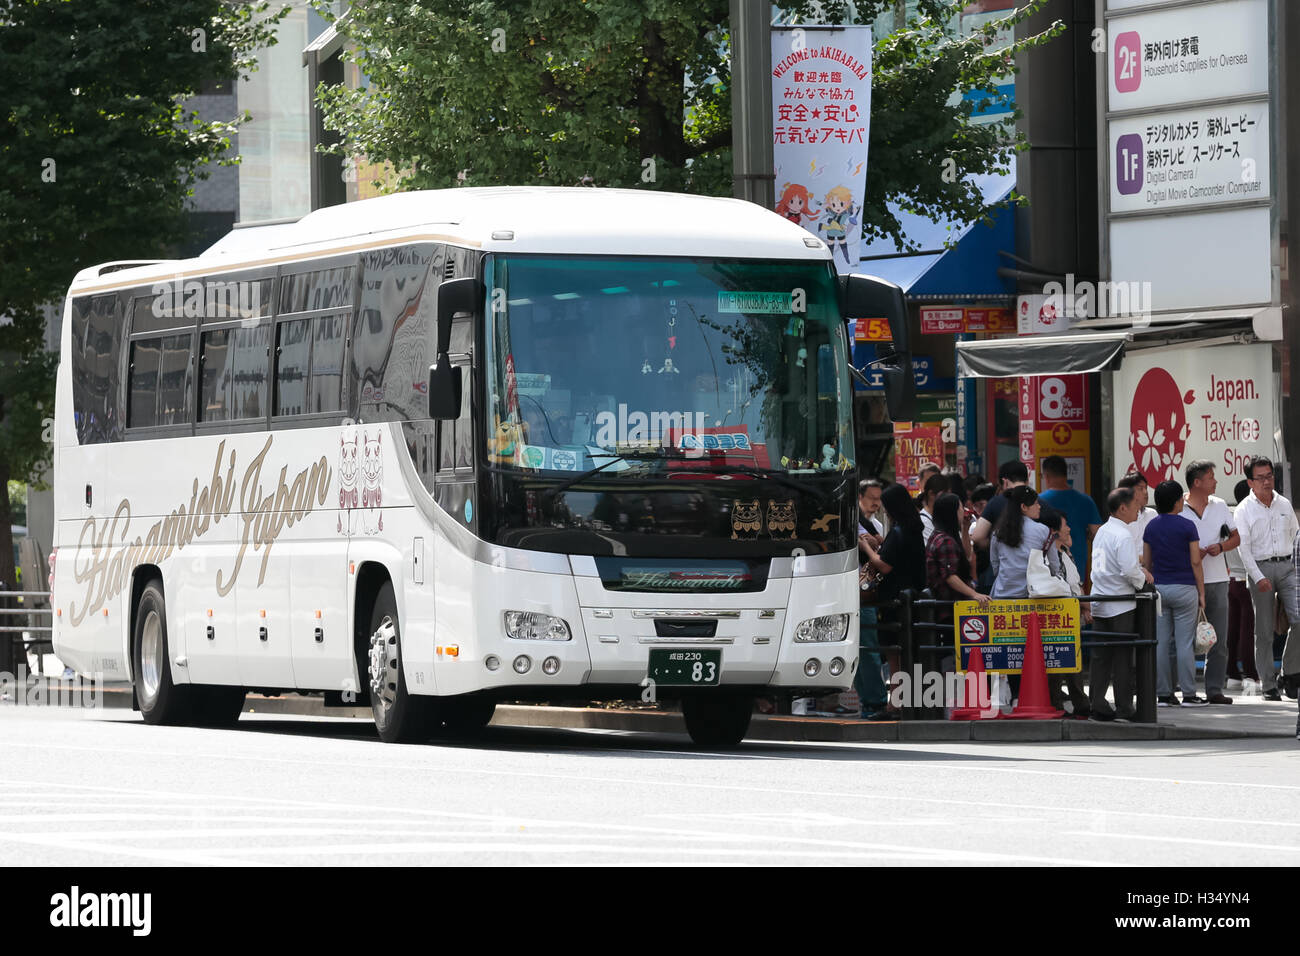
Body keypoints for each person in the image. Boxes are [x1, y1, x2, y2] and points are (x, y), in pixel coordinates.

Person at [1234, 455, 1300, 701]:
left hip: (1287, 567)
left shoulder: (1283, 504)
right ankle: (1269, 685)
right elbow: (1244, 549)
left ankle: (1290, 673)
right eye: (1260, 478)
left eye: (1269, 476)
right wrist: (1257, 576)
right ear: (1250, 482)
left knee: (1299, 618)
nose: (1266, 482)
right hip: (1259, 568)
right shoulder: (1243, 510)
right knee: (1263, 631)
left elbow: (1296, 535)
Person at [860, 483, 927, 720]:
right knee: (905, 654)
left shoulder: (899, 532)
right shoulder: (913, 529)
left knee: (894, 655)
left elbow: (884, 565)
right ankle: (905, 702)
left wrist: (867, 548)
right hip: (912, 597)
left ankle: (895, 705)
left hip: (894, 601)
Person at [1089, 487, 1151, 720]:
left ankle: (1097, 704)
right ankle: (1125, 707)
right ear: (1123, 508)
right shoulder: (1123, 534)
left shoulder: (1103, 531)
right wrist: (1142, 579)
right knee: (1123, 658)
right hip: (1121, 603)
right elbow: (1128, 569)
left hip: (1100, 599)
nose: (1139, 509)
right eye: (1135, 504)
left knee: (1100, 658)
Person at [1182, 460, 1241, 705]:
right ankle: (1184, 690)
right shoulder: (1179, 508)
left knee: (1218, 639)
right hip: (1186, 580)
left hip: (1217, 579)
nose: (1215, 481)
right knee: (1184, 637)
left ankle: (1214, 689)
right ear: (1197, 482)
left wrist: (1221, 547)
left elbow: (1236, 537)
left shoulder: (1219, 506)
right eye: (1210, 477)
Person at [1142, 480, 1206, 706]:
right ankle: (1189, 693)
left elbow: (1147, 563)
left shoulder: (1151, 527)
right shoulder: (1188, 526)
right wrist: (1202, 592)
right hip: (1185, 587)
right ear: (1178, 501)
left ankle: (1163, 694)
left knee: (1160, 642)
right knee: (1184, 643)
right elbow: (1196, 561)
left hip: (1159, 589)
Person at [1037, 510, 1092, 717]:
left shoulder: (1066, 553)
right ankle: (1057, 705)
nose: (1068, 528)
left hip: (1071, 613)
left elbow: (1076, 584)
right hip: (1057, 615)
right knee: (1057, 660)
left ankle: (1080, 703)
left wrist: (1085, 608)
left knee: (1073, 660)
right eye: (1064, 525)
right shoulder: (1048, 557)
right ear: (1053, 532)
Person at [1037, 455, 1102, 583]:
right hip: (1078, 562)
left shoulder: (1039, 502)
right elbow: (1098, 533)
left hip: (1048, 566)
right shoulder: (1086, 501)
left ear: (1047, 476)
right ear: (1066, 474)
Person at [854, 479, 888, 718]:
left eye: (879, 498)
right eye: (871, 497)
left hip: (868, 592)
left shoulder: (875, 524)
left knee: (869, 647)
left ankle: (874, 702)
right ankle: (869, 701)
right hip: (852, 590)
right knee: (860, 648)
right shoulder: (850, 520)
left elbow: (878, 547)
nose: (876, 502)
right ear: (860, 497)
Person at [989, 485, 1057, 599]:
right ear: (1024, 507)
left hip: (1002, 596)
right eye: (1035, 503)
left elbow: (995, 566)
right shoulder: (1043, 530)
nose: (1039, 507)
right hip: (1032, 595)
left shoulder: (998, 533)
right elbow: (1054, 565)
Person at [1225, 479, 1260, 692]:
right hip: (1247, 579)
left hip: (1230, 579)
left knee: (1233, 630)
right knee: (1249, 630)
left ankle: (1232, 674)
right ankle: (1250, 674)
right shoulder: (1246, 516)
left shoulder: (1228, 518)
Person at [926, 493, 988, 609]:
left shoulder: (940, 535)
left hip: (953, 602)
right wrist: (974, 594)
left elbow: (967, 555)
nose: (964, 510)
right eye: (960, 507)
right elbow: (950, 576)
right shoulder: (945, 540)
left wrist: (965, 527)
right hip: (951, 606)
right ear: (952, 512)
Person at [970, 460, 1030, 550]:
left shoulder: (995, 503)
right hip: (1033, 561)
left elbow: (977, 537)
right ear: (1027, 480)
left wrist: (994, 546)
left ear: (1004, 482)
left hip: (1002, 562)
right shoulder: (1038, 502)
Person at [1118, 472, 1157, 548]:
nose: (1145, 492)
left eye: (1146, 488)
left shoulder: (1153, 514)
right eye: (1140, 489)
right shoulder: (1122, 517)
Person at [917, 473, 947, 546]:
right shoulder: (923, 522)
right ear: (931, 494)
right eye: (944, 495)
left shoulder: (940, 517)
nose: (948, 499)